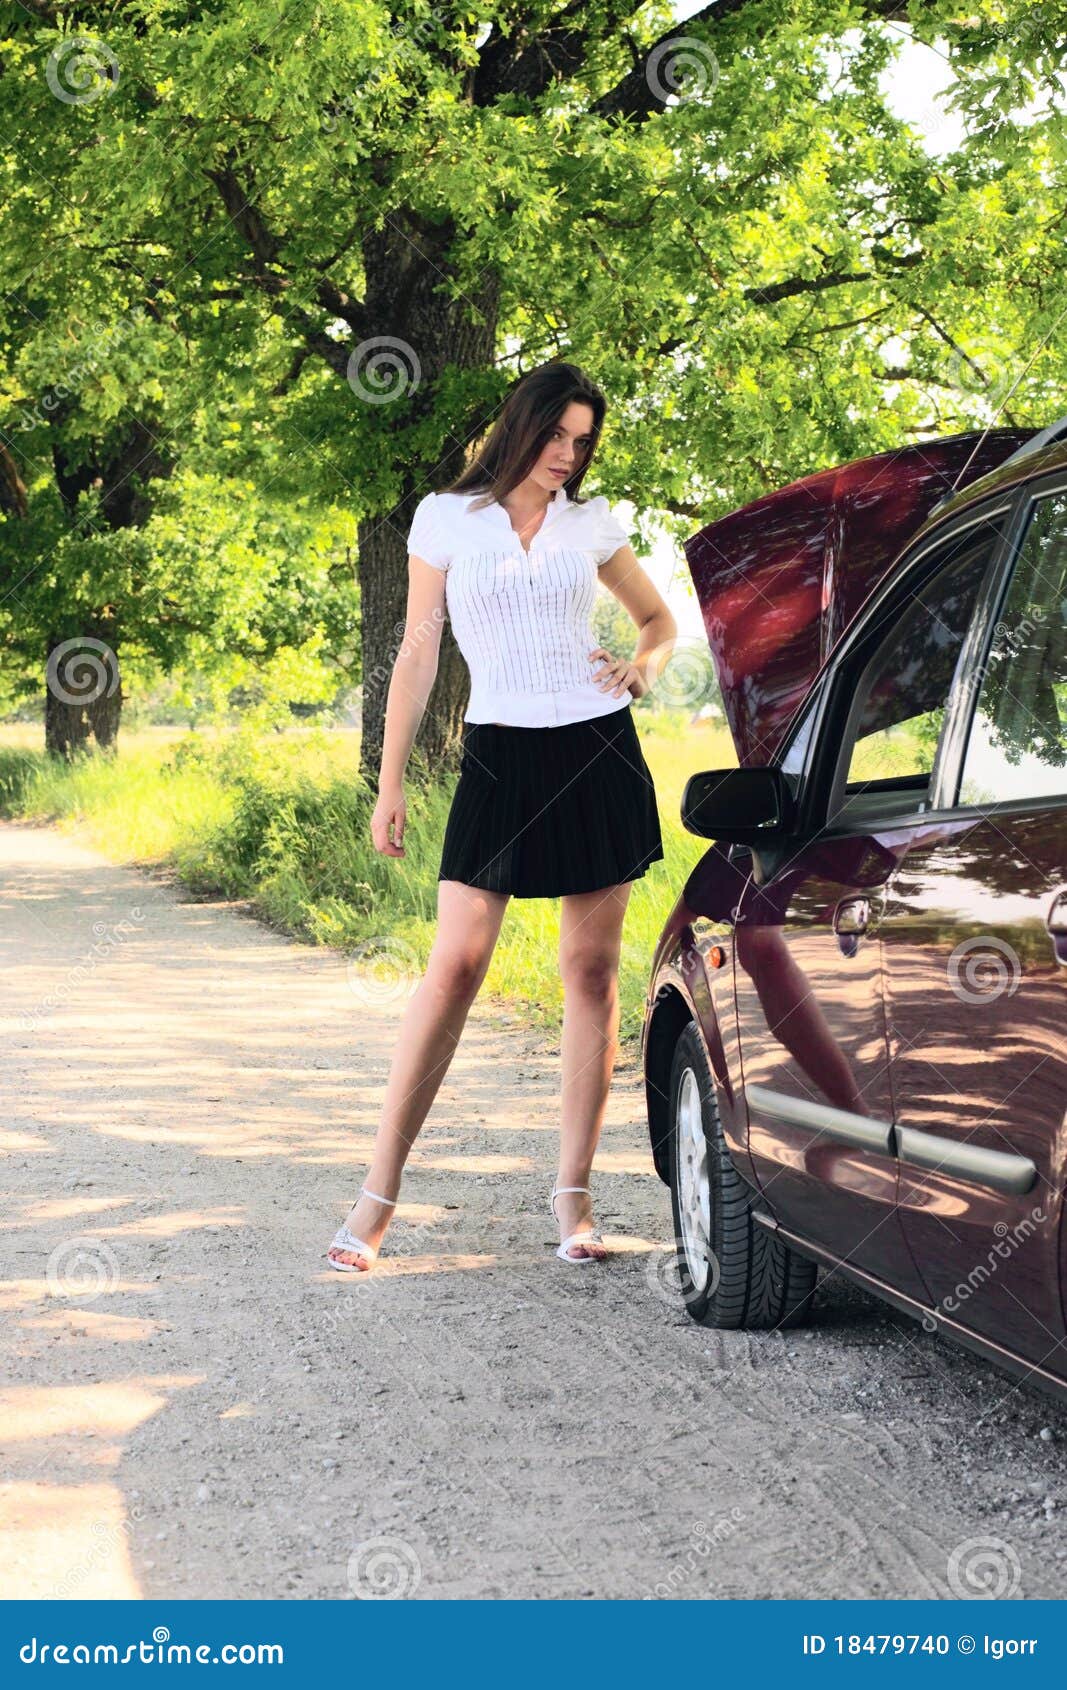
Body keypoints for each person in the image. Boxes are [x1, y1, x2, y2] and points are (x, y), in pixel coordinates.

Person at [326, 360, 677, 1272]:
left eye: (582, 441)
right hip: (497, 752)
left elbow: (658, 623)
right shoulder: (447, 519)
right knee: (455, 965)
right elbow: (416, 652)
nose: (568, 454)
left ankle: (573, 1202)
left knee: (590, 970)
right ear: (520, 427)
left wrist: (639, 670)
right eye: (556, 435)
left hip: (594, 751)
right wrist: (389, 781)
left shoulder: (588, 525)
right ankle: (376, 1197)